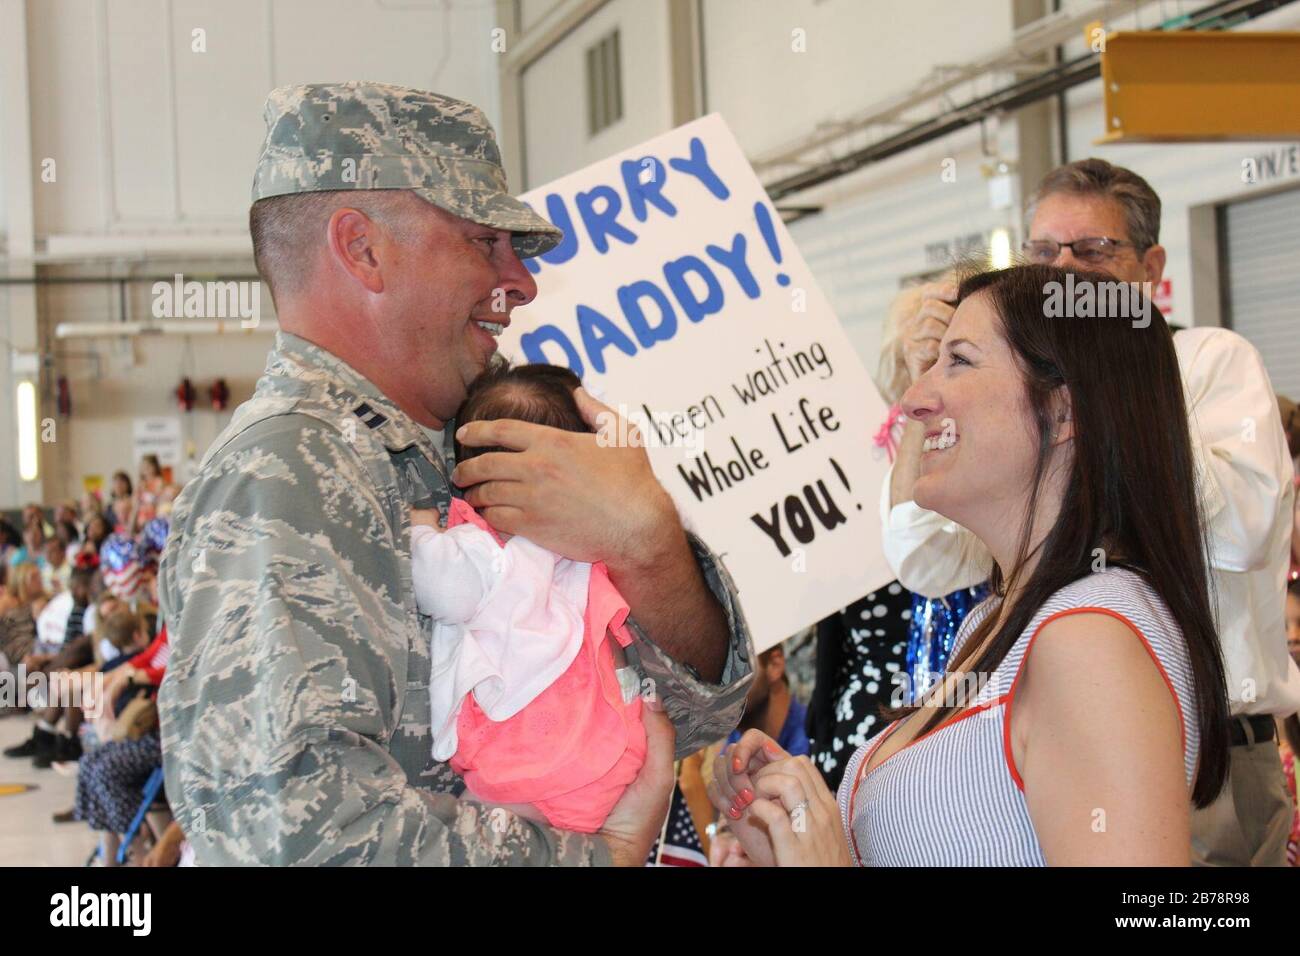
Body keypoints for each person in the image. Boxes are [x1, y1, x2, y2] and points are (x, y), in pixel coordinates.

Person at [158, 81, 753, 867]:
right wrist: (592, 860)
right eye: (484, 243)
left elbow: (693, 715)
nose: (522, 282)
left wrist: (650, 545)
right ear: (362, 248)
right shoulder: (288, 472)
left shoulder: (495, 423)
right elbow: (291, 830)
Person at [710, 264, 1230, 866]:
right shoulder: (998, 625)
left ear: (1063, 414)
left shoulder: (1088, 638)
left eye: (958, 360)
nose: (913, 399)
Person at [881, 158, 1300, 866]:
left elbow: (1247, 531)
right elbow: (922, 558)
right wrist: (938, 383)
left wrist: (1121, 382)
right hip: (1039, 756)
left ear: (1151, 266)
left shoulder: (1210, 361)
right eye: (1043, 253)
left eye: (1092, 252)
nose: (1065, 272)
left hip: (1217, 765)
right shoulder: (1023, 411)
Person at [410, 362, 647, 834]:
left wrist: (419, 529)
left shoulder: (487, 550)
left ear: (470, 473)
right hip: (610, 755)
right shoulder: (586, 547)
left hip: (528, 770)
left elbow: (444, 588)